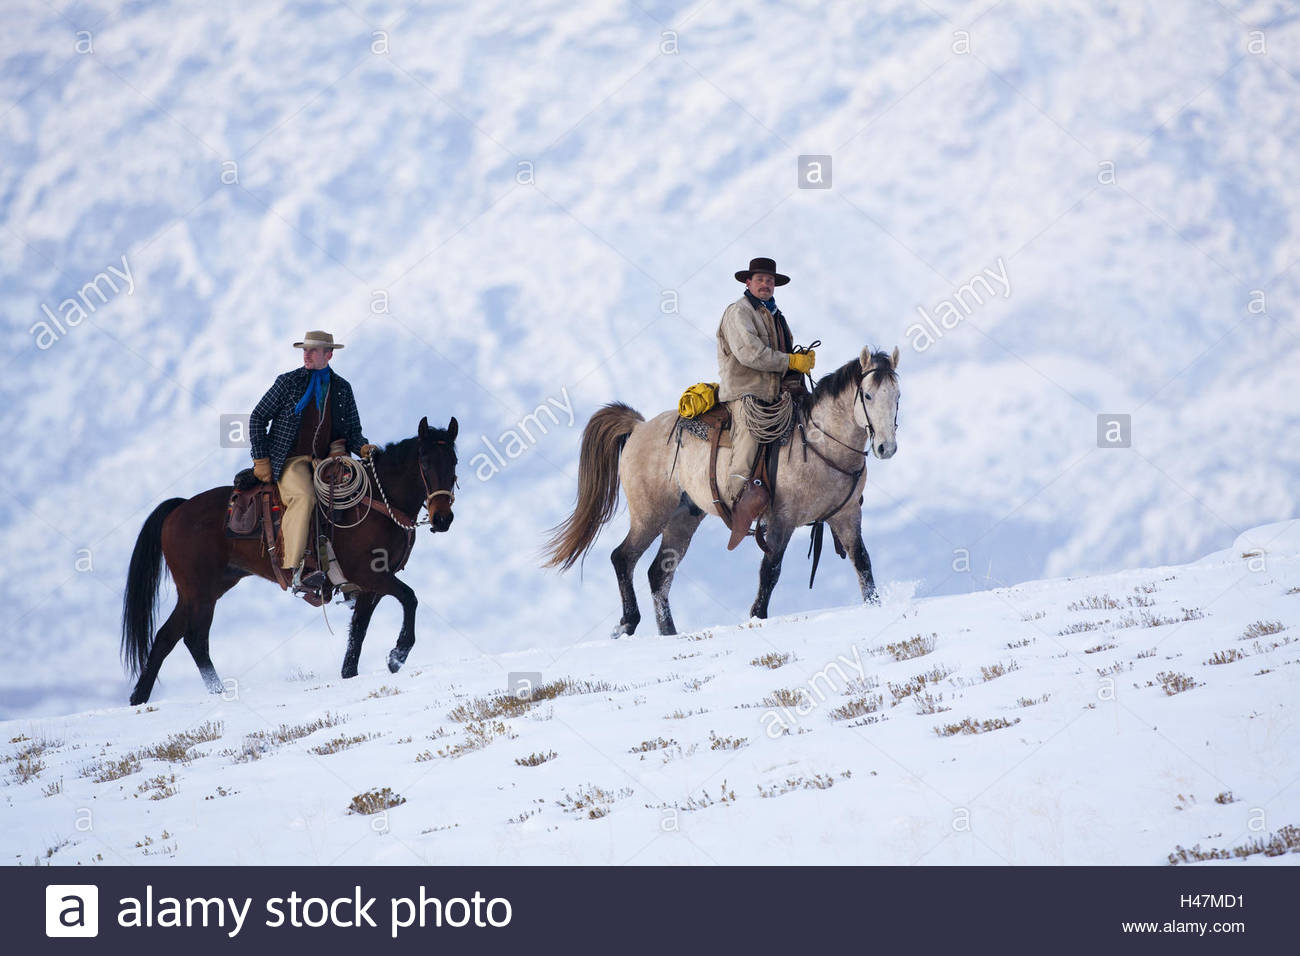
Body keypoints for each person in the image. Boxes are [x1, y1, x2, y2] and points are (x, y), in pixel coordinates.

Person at [249, 331, 377, 593]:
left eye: (314, 350)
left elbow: (352, 432)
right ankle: (296, 568)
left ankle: (345, 573)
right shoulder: (288, 383)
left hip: (324, 463)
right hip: (290, 461)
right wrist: (261, 458)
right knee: (304, 497)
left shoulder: (342, 388)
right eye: (305, 350)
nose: (307, 354)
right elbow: (257, 418)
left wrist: (362, 447)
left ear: (329, 355)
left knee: (349, 498)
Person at [716, 257, 815, 549]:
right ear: (748, 282)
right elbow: (751, 353)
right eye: (760, 280)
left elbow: (778, 354)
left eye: (770, 281)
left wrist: (798, 364)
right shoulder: (739, 312)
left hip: (776, 394)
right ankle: (736, 500)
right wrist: (790, 360)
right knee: (748, 442)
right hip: (745, 393)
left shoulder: (775, 315)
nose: (766, 284)